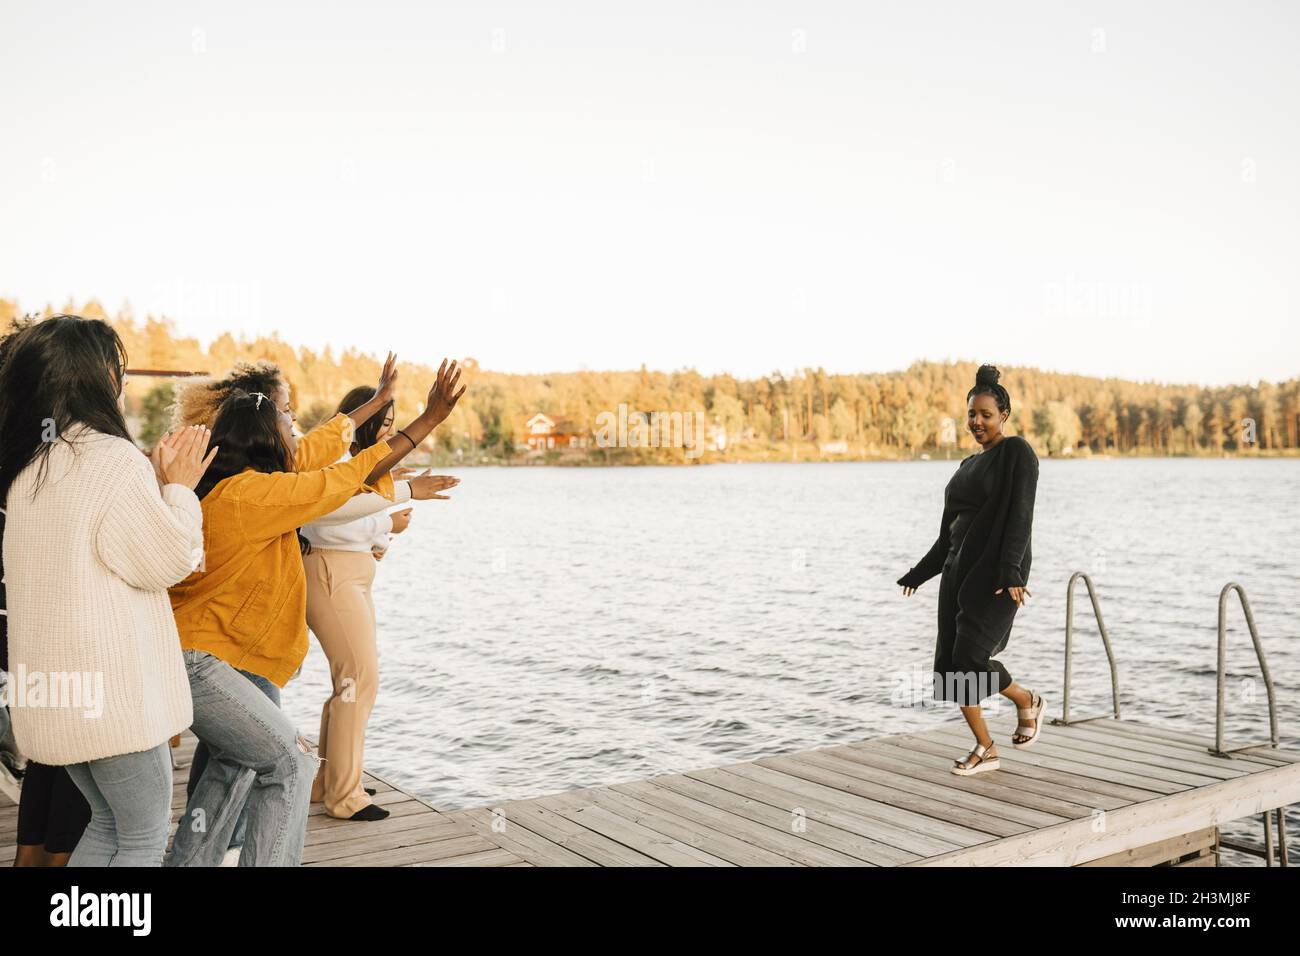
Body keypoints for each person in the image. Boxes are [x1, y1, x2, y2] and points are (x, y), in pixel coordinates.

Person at [165, 355, 465, 866]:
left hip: (226, 654)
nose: (295, 431)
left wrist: (380, 402)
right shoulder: (255, 494)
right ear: (266, 435)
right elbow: (340, 478)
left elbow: (325, 454)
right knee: (293, 761)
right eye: (287, 420)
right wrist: (430, 420)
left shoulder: (243, 484)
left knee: (233, 766)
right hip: (208, 660)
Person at [0, 314, 214, 864]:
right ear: (101, 378)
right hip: (112, 698)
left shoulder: (30, 465)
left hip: (55, 694)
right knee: (139, 833)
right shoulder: (110, 459)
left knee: (108, 824)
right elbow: (172, 560)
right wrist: (181, 489)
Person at [301, 385, 458, 821]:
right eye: (381, 425)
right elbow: (328, 516)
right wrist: (404, 496)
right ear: (360, 418)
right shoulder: (334, 461)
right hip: (330, 573)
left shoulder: (369, 469)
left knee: (350, 680)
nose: (387, 433)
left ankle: (329, 781)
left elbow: (368, 529)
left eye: (391, 426)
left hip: (353, 575)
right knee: (359, 677)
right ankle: (344, 795)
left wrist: (390, 523)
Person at [897, 363, 1043, 776]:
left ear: (1004, 416)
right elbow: (947, 537)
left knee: (970, 658)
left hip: (995, 576)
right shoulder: (964, 467)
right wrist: (918, 574)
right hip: (957, 576)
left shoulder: (1016, 453)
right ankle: (985, 746)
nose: (977, 422)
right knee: (951, 668)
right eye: (971, 415)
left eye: (986, 415)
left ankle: (1025, 700)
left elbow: (1021, 515)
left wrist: (1012, 571)